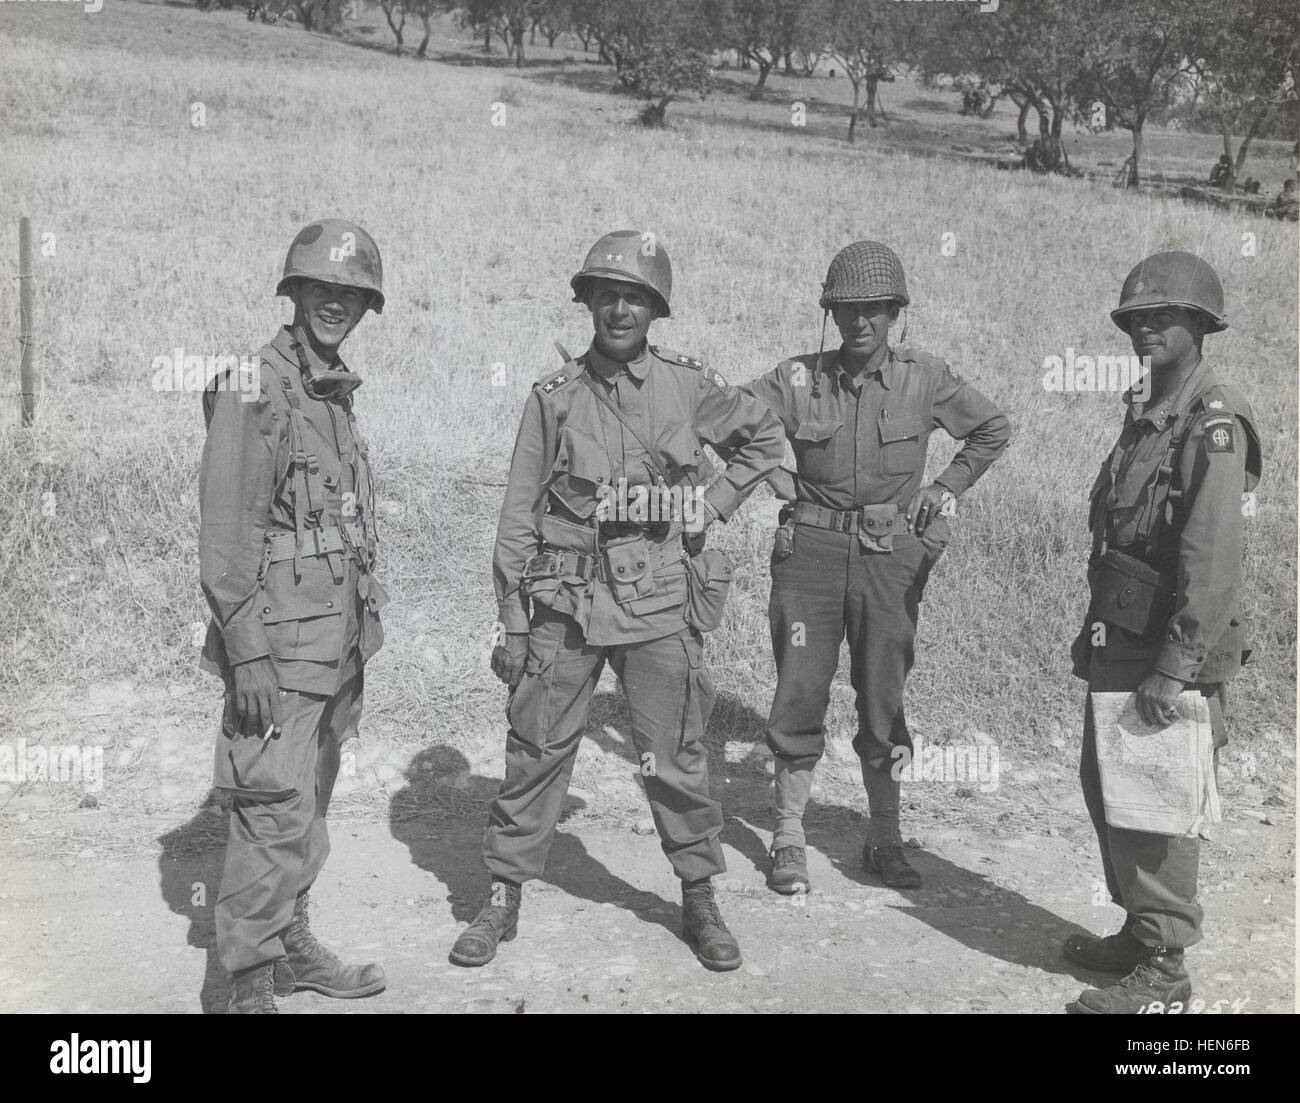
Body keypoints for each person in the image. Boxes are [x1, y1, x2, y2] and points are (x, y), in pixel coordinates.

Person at [454, 230, 784, 972]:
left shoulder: (686, 386)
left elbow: (764, 439)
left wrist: (713, 504)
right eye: (607, 294)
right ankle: (503, 893)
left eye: (634, 296)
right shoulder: (553, 398)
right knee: (536, 746)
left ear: (654, 309)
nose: (619, 308)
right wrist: (512, 619)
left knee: (673, 755)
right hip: (565, 600)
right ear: (588, 303)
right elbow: (517, 513)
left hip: (660, 597)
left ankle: (698, 893)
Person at [742, 241, 1011, 895]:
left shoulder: (925, 377)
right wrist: (770, 470)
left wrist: (943, 487)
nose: (860, 322)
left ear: (895, 313)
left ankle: (884, 837)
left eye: (875, 310)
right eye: (847, 309)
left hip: (891, 559)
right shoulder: (798, 377)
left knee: (883, 696)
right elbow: (726, 414)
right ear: (831, 313)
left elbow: (993, 429)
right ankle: (787, 838)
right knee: (799, 691)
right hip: (808, 556)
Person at [199, 219, 390, 1013]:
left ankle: (289, 945)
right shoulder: (258, 385)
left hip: (333, 637)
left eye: (349, 294)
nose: (334, 304)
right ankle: (245, 981)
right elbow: (228, 532)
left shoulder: (329, 388)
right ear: (295, 292)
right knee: (272, 802)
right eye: (321, 289)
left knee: (307, 795)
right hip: (277, 643)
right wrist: (246, 651)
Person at [1065, 251, 1262, 1014]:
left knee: (1157, 798)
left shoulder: (1213, 422)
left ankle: (1167, 969)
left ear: (1202, 326)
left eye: (1162, 317)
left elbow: (1211, 561)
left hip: (1166, 647)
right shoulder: (1148, 404)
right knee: (1110, 785)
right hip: (1123, 629)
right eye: (1135, 318)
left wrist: (1174, 669)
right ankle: (1141, 931)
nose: (1144, 328)